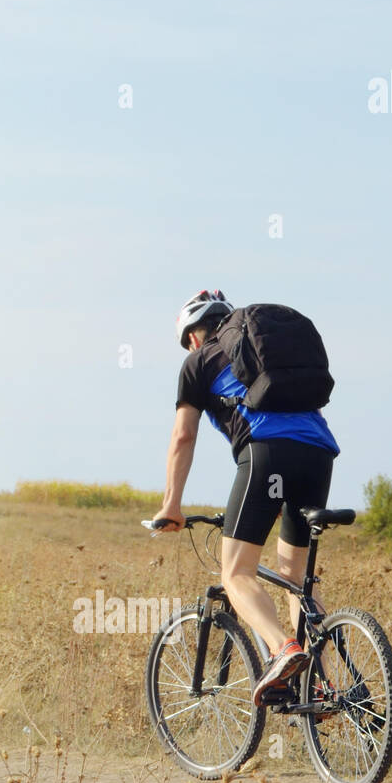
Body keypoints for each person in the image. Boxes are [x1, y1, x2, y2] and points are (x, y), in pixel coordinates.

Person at [153, 289, 339, 705]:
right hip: (320, 452)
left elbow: (183, 436)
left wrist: (172, 505)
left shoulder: (197, 362)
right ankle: (325, 687)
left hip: (266, 454)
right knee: (297, 582)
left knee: (235, 573)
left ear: (193, 337)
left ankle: (282, 649)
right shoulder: (266, 351)